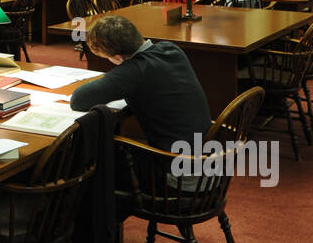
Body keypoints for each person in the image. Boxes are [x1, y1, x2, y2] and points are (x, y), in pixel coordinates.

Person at [72, 13, 212, 155]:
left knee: (111, 153)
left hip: (179, 165)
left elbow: (78, 100)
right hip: (207, 150)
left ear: (118, 58)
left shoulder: (134, 71)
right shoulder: (170, 48)